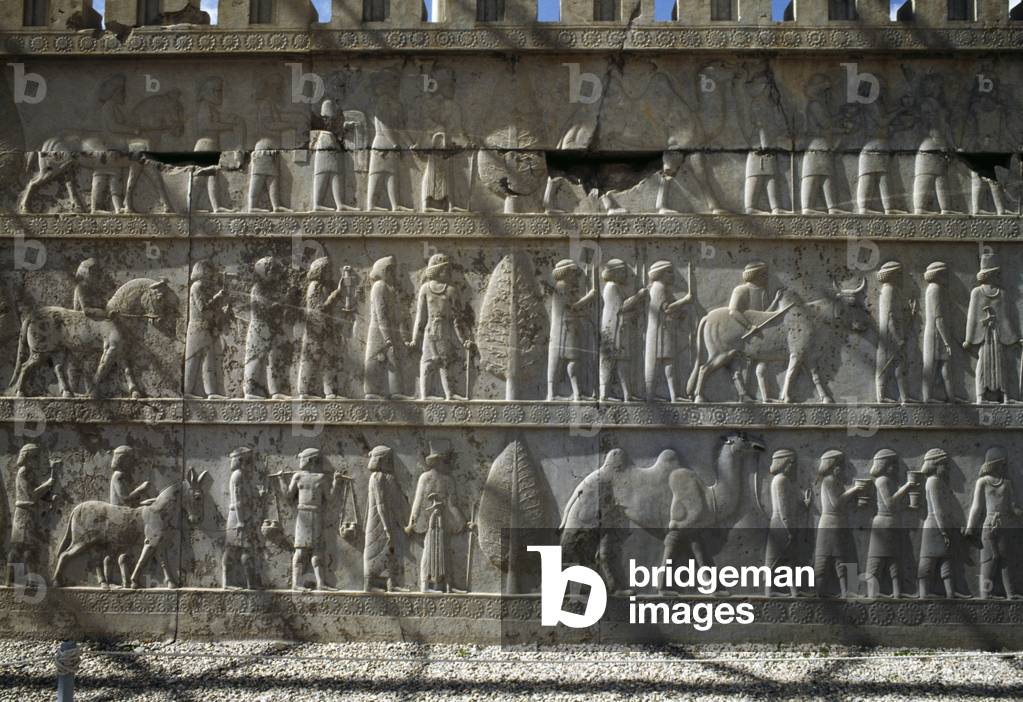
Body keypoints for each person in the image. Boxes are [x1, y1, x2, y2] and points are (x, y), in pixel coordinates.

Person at [405, 442, 467, 593]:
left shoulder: (446, 479)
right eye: (446, 460)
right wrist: (411, 523)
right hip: (431, 522)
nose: (448, 463)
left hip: (442, 521)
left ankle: (445, 584)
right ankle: (425, 585)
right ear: (439, 461)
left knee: (443, 552)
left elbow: (452, 505)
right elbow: (418, 503)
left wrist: (462, 523)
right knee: (430, 551)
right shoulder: (426, 478)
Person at [408, 254, 472, 401]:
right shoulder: (425, 289)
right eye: (445, 269)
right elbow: (420, 318)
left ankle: (449, 394)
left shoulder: (451, 290)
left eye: (449, 269)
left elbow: (457, 320)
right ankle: (424, 395)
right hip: (430, 331)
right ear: (436, 271)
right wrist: (415, 339)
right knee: (427, 362)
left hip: (445, 332)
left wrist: (464, 340)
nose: (448, 272)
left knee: (445, 362)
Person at [278, 448, 342, 591]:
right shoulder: (297, 477)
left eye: (302, 459)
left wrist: (337, 482)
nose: (300, 461)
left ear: (310, 460)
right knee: (300, 551)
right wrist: (281, 479)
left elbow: (330, 498)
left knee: (317, 551)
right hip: (303, 516)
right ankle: (296, 583)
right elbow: (288, 495)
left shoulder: (321, 478)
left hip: (317, 515)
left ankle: (321, 583)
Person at [964, 446, 1023, 599]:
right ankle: (985, 594)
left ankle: (1010, 594)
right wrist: (970, 528)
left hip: (1004, 526)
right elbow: (976, 507)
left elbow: (1014, 507)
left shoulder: (1007, 483)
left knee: (1005, 560)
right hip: (989, 526)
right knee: (988, 560)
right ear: (995, 463)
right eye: (1002, 463)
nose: (1005, 466)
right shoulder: (982, 482)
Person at [964, 253, 1021, 403]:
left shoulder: (1001, 293)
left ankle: (1006, 396)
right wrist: (969, 339)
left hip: (998, 336)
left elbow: (1006, 318)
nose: (999, 276)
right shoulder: (977, 293)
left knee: (1001, 365)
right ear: (990, 274)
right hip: (984, 337)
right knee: (983, 364)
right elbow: (972, 318)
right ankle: (980, 397)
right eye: (997, 273)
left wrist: (1015, 338)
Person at [813, 449, 866, 598]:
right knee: (826, 558)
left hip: (838, 523)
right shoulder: (828, 481)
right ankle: (820, 592)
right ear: (832, 466)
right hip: (830, 523)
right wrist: (854, 490)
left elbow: (842, 503)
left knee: (841, 558)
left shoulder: (836, 482)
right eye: (841, 466)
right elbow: (836, 503)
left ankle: (844, 592)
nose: (843, 470)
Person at [917, 448, 968, 599]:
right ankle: (923, 593)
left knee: (946, 559)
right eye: (945, 465)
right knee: (929, 559)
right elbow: (938, 510)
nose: (947, 469)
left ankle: (950, 593)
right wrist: (944, 531)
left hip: (941, 525)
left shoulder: (939, 482)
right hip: (934, 526)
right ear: (936, 465)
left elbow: (946, 510)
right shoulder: (933, 482)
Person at [728, 261, 781, 402]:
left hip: (758, 334)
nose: (766, 278)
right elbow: (733, 311)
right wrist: (748, 326)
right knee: (739, 364)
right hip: (741, 332)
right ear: (754, 275)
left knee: (761, 364)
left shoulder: (763, 292)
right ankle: (742, 394)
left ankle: (765, 397)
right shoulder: (741, 290)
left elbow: (764, 315)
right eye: (763, 275)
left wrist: (775, 302)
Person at [297, 257, 348, 399]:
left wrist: (338, 292)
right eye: (328, 270)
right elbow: (319, 309)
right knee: (311, 359)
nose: (331, 272)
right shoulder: (315, 286)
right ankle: (305, 392)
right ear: (321, 271)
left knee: (328, 360)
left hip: (324, 329)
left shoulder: (323, 286)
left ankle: (330, 392)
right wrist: (337, 293)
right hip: (315, 330)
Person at [6, 444, 57, 587]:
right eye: (34, 457)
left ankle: (30, 580)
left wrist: (49, 498)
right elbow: (32, 495)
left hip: (29, 513)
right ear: (27, 457)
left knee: (29, 548)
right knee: (18, 548)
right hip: (23, 513)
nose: (37, 460)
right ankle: (11, 580)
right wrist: (48, 484)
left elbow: (38, 494)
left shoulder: (30, 473)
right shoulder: (23, 472)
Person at [864, 449, 912, 599]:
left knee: (895, 559)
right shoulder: (882, 480)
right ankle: (872, 593)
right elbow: (890, 503)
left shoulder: (890, 481)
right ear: (885, 465)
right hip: (883, 523)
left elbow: (896, 504)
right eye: (893, 465)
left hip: (892, 523)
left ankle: (896, 592)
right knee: (877, 559)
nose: (896, 468)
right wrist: (907, 487)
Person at [547, 259, 597, 402]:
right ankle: (556, 394)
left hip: (571, 326)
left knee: (572, 359)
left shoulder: (567, 287)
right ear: (566, 273)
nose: (576, 276)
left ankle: (576, 394)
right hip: (564, 328)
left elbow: (576, 309)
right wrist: (590, 297)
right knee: (568, 359)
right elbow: (572, 307)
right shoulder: (562, 286)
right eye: (574, 273)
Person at [598, 259, 647, 402]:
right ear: (615, 273)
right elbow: (621, 307)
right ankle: (604, 395)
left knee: (623, 362)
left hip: (619, 328)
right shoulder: (611, 287)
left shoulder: (616, 287)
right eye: (623, 272)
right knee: (609, 362)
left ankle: (627, 395)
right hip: (612, 330)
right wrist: (639, 296)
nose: (626, 275)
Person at [764, 448, 811, 597]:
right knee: (774, 558)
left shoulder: (786, 481)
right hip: (781, 525)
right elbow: (783, 508)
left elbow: (793, 505)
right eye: (792, 463)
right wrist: (789, 529)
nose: (794, 467)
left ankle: (793, 591)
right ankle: (769, 591)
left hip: (785, 524)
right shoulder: (781, 480)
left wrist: (805, 503)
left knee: (790, 559)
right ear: (785, 464)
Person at [644, 261, 693, 402]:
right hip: (658, 331)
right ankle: (650, 396)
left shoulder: (665, 289)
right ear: (660, 273)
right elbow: (666, 308)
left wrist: (681, 311)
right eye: (669, 272)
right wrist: (686, 300)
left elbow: (672, 308)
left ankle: (673, 396)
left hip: (665, 330)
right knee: (658, 363)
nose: (672, 275)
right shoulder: (658, 287)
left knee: (669, 363)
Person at [184, 260, 230, 400]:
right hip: (198, 328)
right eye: (210, 271)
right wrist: (218, 297)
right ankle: (187, 391)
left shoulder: (205, 288)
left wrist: (222, 308)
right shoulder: (197, 287)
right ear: (203, 271)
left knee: (208, 360)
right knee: (194, 359)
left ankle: (211, 392)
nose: (213, 274)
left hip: (206, 328)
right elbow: (203, 308)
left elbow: (211, 309)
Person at [244, 257, 288, 400]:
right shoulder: (258, 289)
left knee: (273, 359)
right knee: (255, 358)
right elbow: (266, 309)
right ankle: (250, 391)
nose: (277, 276)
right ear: (266, 272)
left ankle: (274, 391)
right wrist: (284, 300)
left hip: (270, 328)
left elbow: (277, 310)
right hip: (259, 327)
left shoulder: (271, 289)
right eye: (274, 273)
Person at [364, 256, 408, 400]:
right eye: (391, 271)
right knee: (375, 360)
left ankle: (395, 392)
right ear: (385, 271)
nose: (394, 275)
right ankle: (371, 392)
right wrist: (387, 337)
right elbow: (380, 312)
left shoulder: (389, 288)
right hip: (380, 330)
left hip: (388, 330)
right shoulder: (379, 286)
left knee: (392, 360)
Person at [364, 445, 407, 592]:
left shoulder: (383, 477)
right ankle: (369, 586)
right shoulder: (377, 477)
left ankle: (391, 584)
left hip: (385, 518)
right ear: (382, 460)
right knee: (375, 551)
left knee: (388, 551)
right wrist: (386, 527)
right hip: (379, 520)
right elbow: (380, 503)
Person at [875, 261, 916, 403]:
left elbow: (898, 315)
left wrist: (910, 312)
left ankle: (904, 397)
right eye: (899, 274)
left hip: (896, 334)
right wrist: (898, 338)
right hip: (889, 336)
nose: (902, 277)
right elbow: (890, 317)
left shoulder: (895, 290)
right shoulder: (889, 290)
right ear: (893, 275)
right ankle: (881, 397)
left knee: (899, 366)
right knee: (885, 365)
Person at [223, 447, 262, 590]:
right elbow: (238, 500)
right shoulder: (238, 475)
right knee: (237, 550)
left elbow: (245, 498)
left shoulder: (242, 476)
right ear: (242, 460)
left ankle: (249, 584)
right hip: (238, 517)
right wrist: (240, 521)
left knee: (240, 550)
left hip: (243, 516)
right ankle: (231, 583)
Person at [921, 261, 957, 403]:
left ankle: (951, 397)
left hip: (939, 333)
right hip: (935, 335)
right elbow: (938, 318)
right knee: (931, 366)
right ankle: (927, 398)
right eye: (944, 273)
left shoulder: (937, 288)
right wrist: (947, 341)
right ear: (938, 275)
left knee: (945, 367)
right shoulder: (935, 289)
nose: (947, 276)